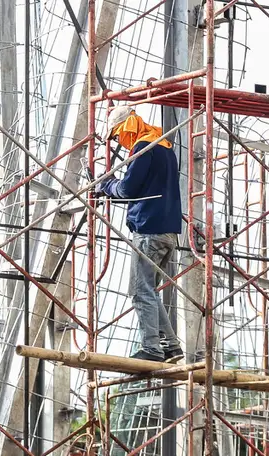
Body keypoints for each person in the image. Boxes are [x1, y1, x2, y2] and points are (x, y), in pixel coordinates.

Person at [97, 105, 186, 362]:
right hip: (167, 232)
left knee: (139, 291)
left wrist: (106, 185)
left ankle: (152, 348)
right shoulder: (164, 146)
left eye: (116, 136)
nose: (118, 142)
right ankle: (170, 346)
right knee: (148, 290)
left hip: (149, 229)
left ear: (124, 128)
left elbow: (127, 189)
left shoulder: (143, 147)